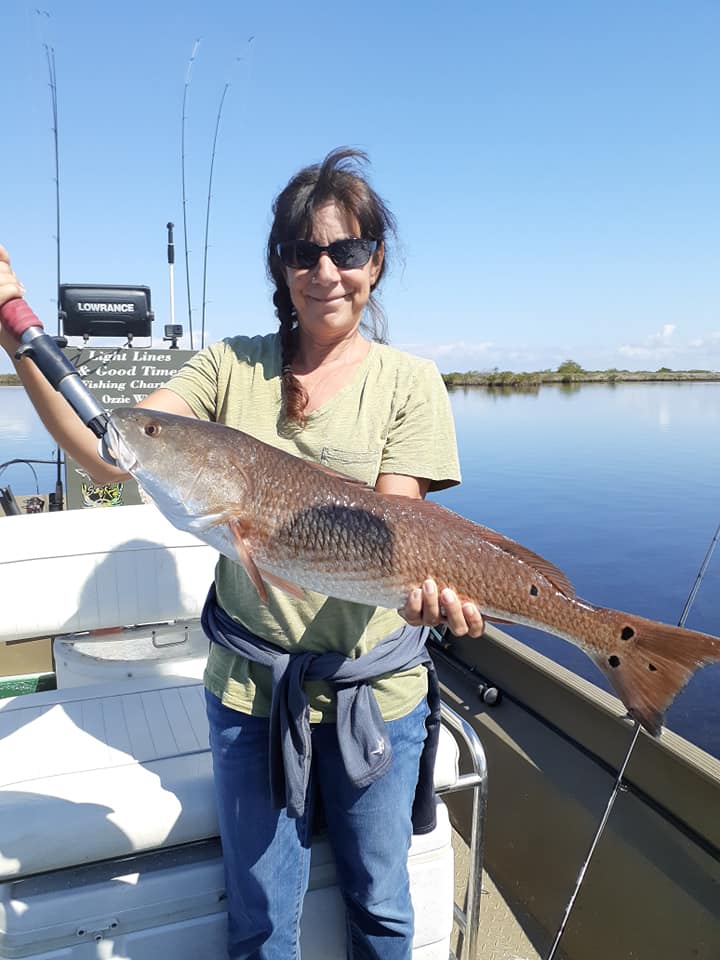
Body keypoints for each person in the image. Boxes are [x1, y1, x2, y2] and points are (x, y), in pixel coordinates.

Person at [0, 147, 484, 960]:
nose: (326, 270)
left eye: (348, 250)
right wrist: (15, 320)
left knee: (384, 906)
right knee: (260, 918)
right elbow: (107, 447)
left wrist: (432, 593)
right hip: (252, 698)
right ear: (282, 265)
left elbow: (397, 532)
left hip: (379, 697)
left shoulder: (411, 382)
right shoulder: (229, 366)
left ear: (377, 261)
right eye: (303, 252)